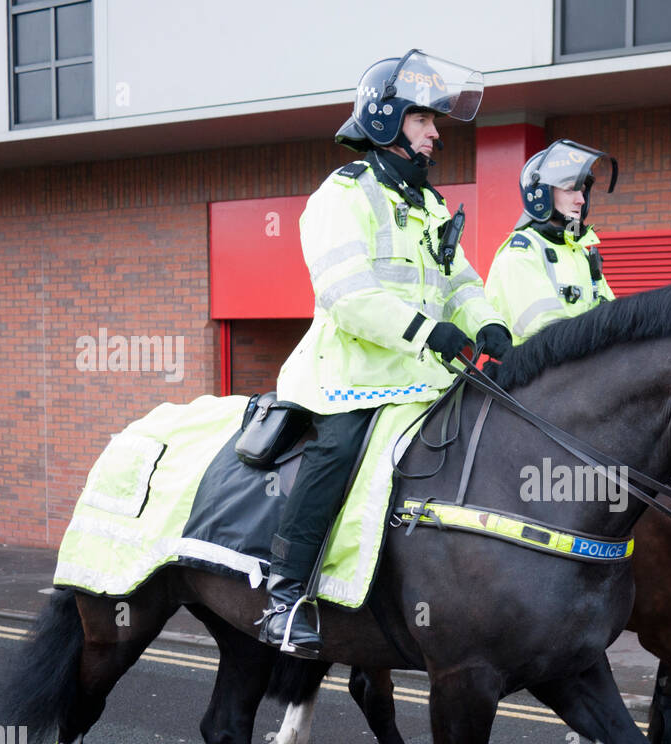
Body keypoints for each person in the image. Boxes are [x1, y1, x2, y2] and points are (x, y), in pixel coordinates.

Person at [261, 49, 512, 657]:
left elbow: (462, 286)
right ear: (386, 120)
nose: (435, 134)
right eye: (424, 120)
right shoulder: (340, 196)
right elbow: (347, 297)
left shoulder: (427, 204)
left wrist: (489, 325)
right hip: (347, 378)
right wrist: (432, 333)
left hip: (422, 378)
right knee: (337, 452)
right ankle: (284, 596)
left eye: (435, 122)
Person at [484, 140, 618, 343]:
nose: (580, 199)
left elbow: (613, 318)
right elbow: (547, 334)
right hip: (538, 374)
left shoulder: (579, 252)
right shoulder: (522, 253)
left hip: (587, 371)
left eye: (582, 190)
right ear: (540, 195)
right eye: (570, 189)